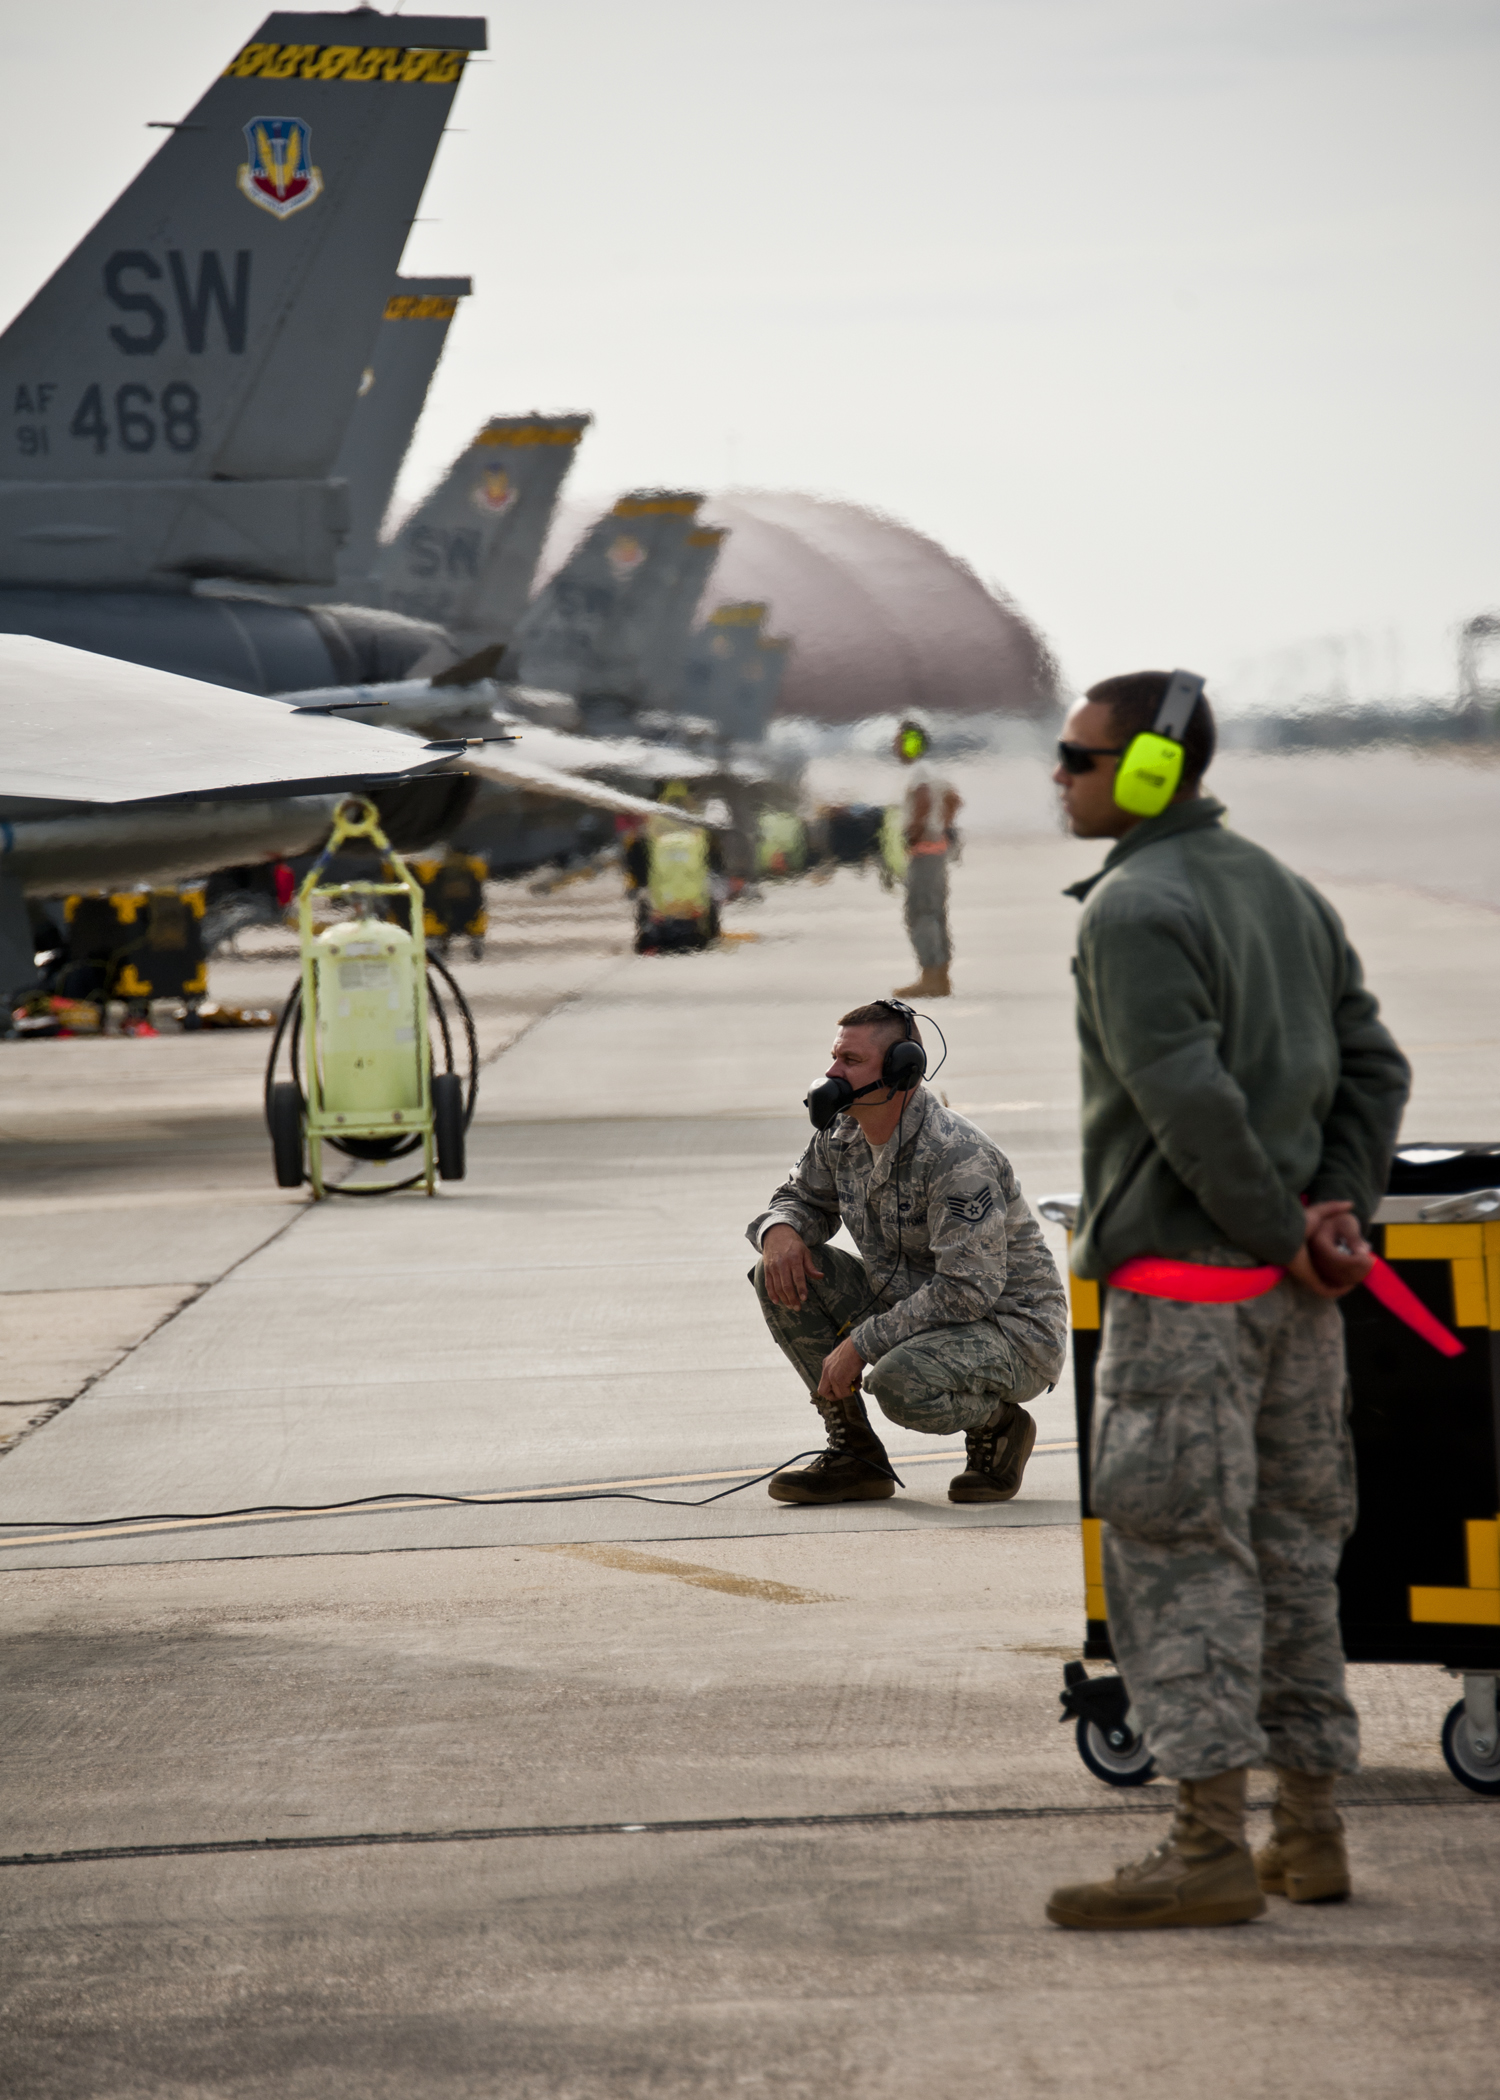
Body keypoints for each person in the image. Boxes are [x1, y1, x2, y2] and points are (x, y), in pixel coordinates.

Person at [1044, 670, 1410, 1931]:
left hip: (1188, 1303)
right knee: (1299, 1559)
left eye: (1077, 756)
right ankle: (1309, 1835)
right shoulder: (1283, 892)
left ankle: (1206, 1846)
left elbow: (1185, 1101)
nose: (1059, 774)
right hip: (1299, 1313)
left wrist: (1280, 1229)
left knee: (1182, 1557)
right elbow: (1375, 1064)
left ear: (1148, 772)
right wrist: (1332, 1213)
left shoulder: (1136, 909)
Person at [748, 1000, 1068, 1505]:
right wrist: (780, 1231)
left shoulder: (955, 1155)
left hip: (1010, 1328)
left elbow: (968, 1290)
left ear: (901, 1071)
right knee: (780, 1272)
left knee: (899, 1383)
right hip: (910, 1304)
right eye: (834, 1058)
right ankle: (856, 1456)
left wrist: (862, 1345)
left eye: (850, 1062)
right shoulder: (843, 1132)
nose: (831, 1073)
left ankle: (1000, 1425)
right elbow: (799, 1197)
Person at [892, 718, 960, 999]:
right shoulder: (933, 770)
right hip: (937, 850)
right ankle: (940, 976)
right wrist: (943, 824)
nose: (895, 746)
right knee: (934, 912)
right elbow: (955, 798)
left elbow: (922, 798)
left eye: (900, 740)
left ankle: (930, 975)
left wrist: (917, 828)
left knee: (920, 913)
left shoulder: (919, 771)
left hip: (923, 852)